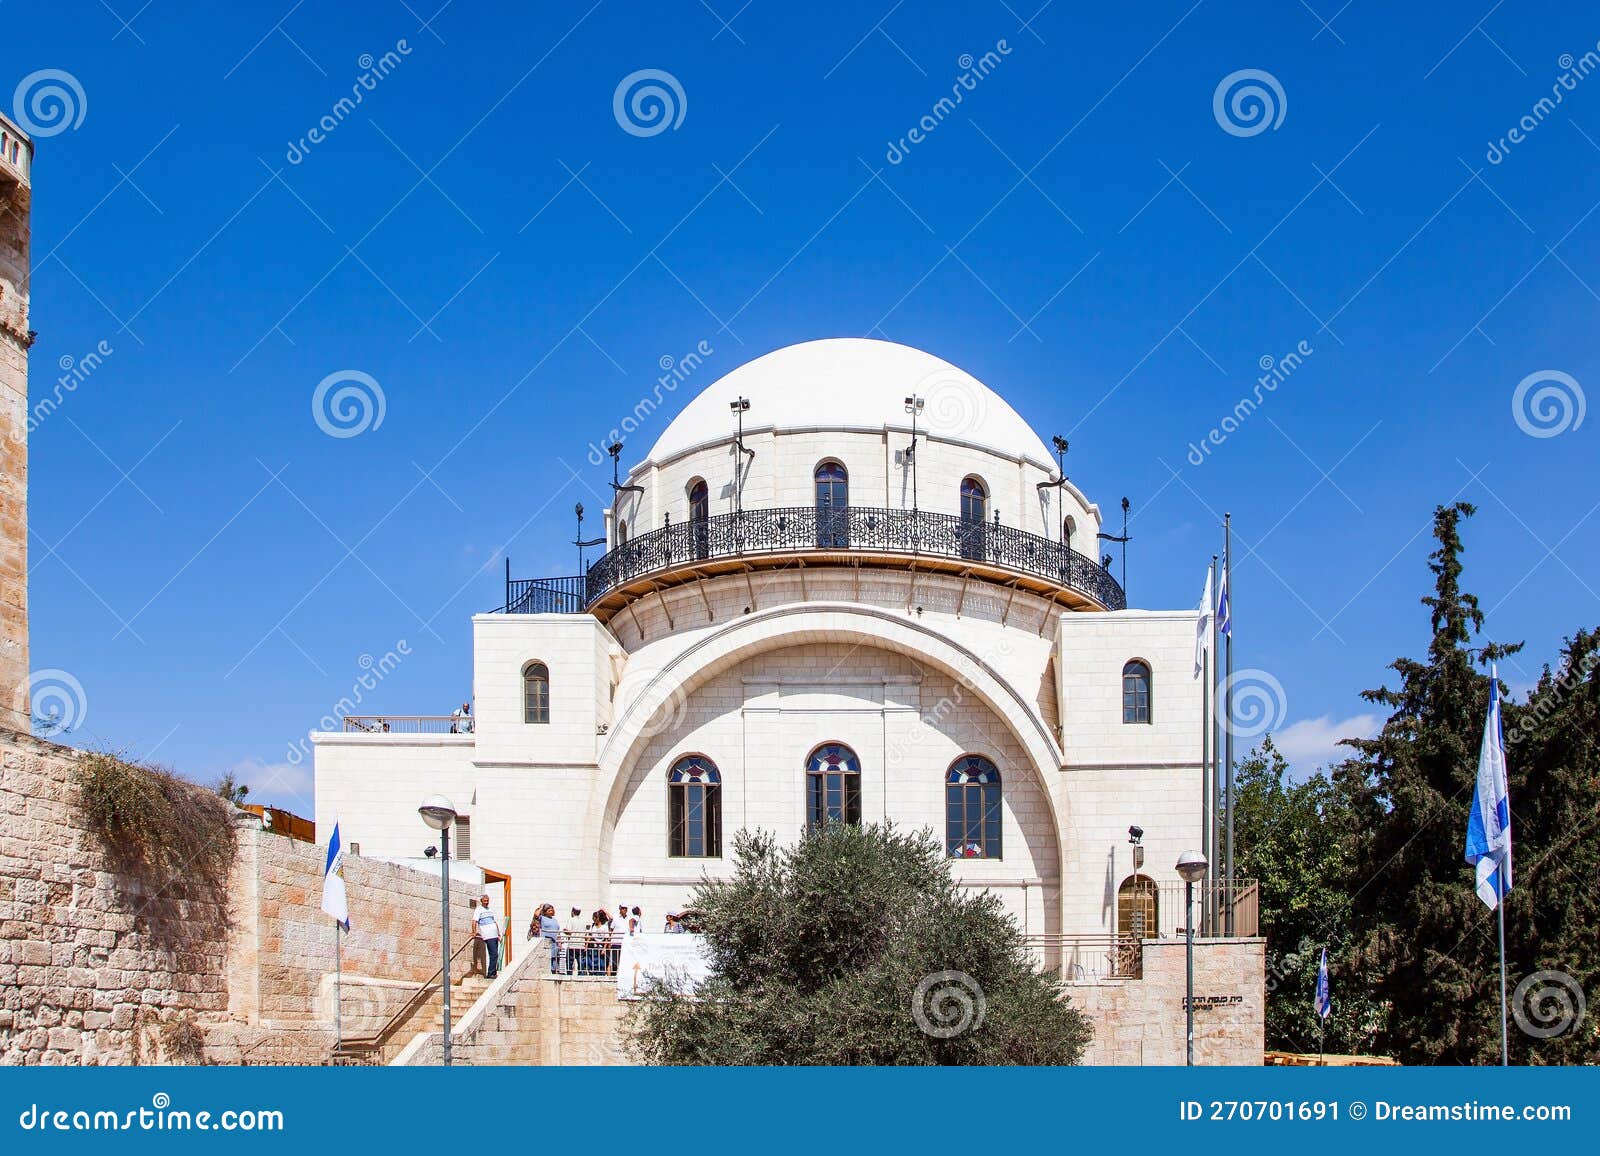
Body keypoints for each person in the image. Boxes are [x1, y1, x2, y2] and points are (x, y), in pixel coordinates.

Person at [473, 895, 502, 979]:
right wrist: (474, 932)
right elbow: (474, 921)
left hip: (494, 934)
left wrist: (498, 934)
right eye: (485, 900)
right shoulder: (479, 910)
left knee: (494, 954)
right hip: (488, 934)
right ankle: (491, 973)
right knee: (494, 954)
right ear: (481, 901)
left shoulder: (490, 910)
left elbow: (494, 922)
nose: (486, 902)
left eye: (487, 900)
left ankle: (493, 972)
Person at [537, 903, 561, 972]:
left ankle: (555, 971)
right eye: (549, 910)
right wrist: (541, 908)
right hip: (547, 942)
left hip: (555, 943)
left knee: (555, 958)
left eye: (552, 910)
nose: (551, 912)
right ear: (545, 911)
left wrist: (559, 942)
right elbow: (536, 915)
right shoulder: (542, 918)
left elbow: (557, 930)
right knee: (548, 958)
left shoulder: (554, 919)